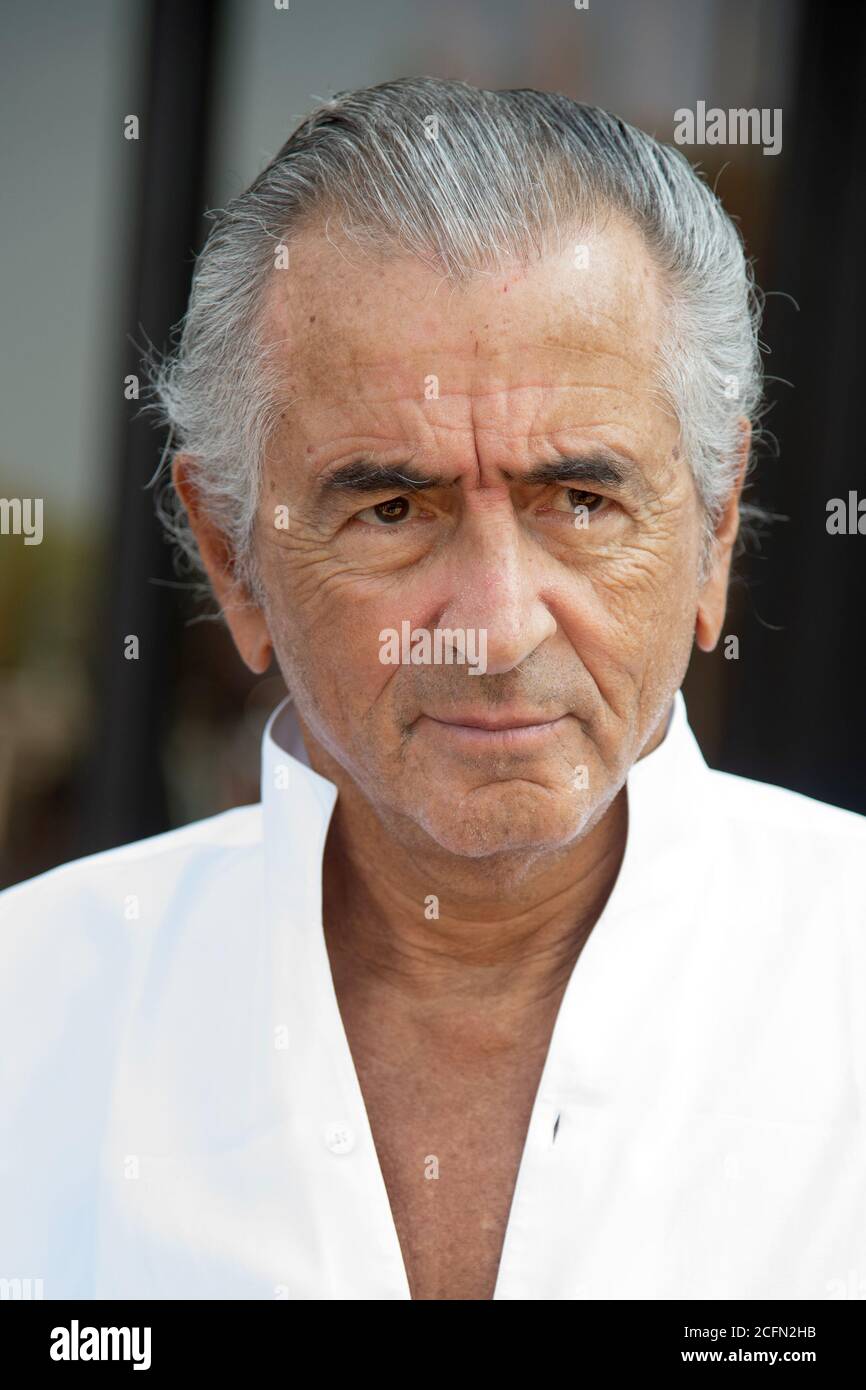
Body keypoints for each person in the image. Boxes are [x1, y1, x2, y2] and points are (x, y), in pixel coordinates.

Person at [2, 78, 864, 1301]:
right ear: (232, 557)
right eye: (393, 510)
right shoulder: (26, 1022)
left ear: (713, 535)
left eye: (581, 500)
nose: (496, 629)